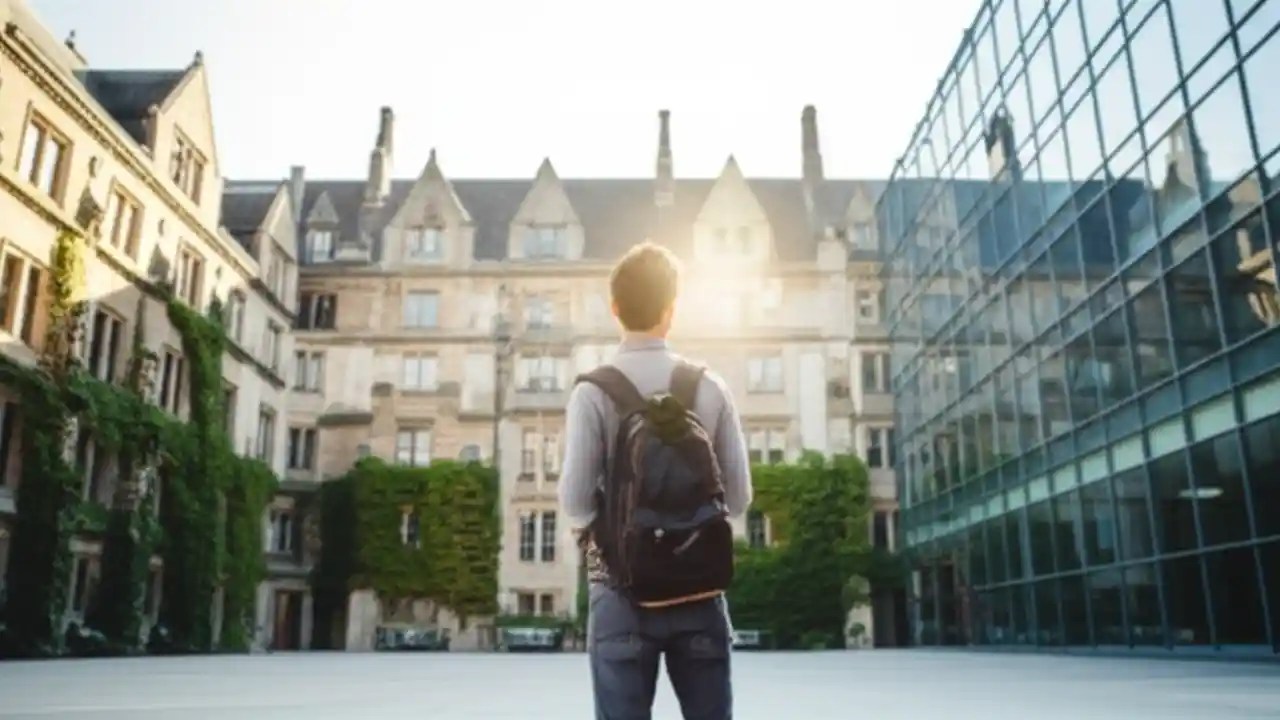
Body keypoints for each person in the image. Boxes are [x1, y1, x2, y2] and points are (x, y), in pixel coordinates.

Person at [560, 241, 752, 720]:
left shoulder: (593, 392)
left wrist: (611, 541)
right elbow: (741, 497)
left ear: (615, 309)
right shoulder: (709, 385)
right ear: (672, 311)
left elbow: (575, 502)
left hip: (621, 593)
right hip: (700, 589)